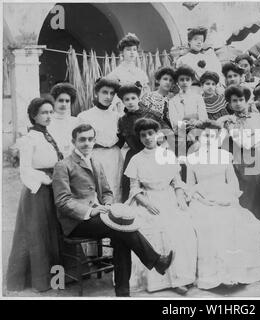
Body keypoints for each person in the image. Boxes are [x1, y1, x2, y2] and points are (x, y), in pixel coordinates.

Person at [52, 124, 173, 297]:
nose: (87, 143)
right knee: (120, 227)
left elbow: (107, 193)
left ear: (94, 141)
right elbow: (62, 202)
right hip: (77, 222)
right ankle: (155, 261)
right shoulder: (63, 165)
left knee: (121, 234)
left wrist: (108, 206)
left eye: (90, 139)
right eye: (82, 140)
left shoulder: (96, 162)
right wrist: (91, 211)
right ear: (73, 142)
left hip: (100, 217)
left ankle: (123, 293)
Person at [186, 120, 260, 289]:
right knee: (209, 224)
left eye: (214, 137)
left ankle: (232, 273)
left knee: (238, 223)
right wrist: (203, 200)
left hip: (224, 199)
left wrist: (228, 199)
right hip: (201, 201)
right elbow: (190, 186)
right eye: (206, 136)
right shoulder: (192, 159)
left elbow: (232, 183)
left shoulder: (225, 156)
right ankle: (214, 275)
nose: (210, 140)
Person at [124, 118, 197, 294]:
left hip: (169, 197)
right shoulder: (136, 159)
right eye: (143, 135)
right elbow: (134, 189)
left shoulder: (168, 155)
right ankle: (161, 281)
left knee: (181, 227)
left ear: (157, 134)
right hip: (148, 200)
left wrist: (180, 198)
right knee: (155, 228)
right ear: (139, 138)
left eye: (151, 133)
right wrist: (147, 203)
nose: (148, 138)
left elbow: (177, 182)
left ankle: (181, 278)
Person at [217, 85, 260, 249]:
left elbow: (256, 142)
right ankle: (250, 246)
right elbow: (221, 144)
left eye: (241, 99)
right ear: (229, 103)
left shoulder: (255, 118)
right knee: (247, 201)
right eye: (234, 101)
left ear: (247, 100)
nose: (238, 103)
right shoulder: (226, 120)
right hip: (239, 165)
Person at [7, 98, 63, 292]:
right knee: (37, 234)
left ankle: (59, 279)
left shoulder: (49, 135)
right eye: (43, 113)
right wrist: (47, 180)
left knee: (56, 233)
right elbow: (25, 170)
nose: (48, 116)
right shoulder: (28, 139)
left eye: (50, 112)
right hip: (38, 192)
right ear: (33, 116)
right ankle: (39, 281)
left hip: (54, 188)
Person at [78, 77, 124, 202]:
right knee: (98, 190)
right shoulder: (85, 116)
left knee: (115, 188)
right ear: (96, 93)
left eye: (112, 93)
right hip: (95, 156)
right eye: (104, 92)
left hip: (114, 156)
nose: (108, 96)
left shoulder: (117, 117)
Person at [168, 65, 208, 157]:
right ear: (177, 81)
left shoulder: (198, 98)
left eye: (187, 79)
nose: (184, 82)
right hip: (181, 132)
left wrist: (197, 122)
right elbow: (174, 120)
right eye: (182, 80)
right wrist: (184, 123)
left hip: (198, 130)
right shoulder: (173, 100)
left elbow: (203, 116)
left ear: (192, 81)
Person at [107, 33, 150, 113]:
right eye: (128, 49)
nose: (132, 52)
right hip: (122, 109)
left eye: (134, 50)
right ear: (122, 52)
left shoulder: (141, 73)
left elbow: (146, 95)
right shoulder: (115, 73)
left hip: (139, 109)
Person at [48, 82, 81, 157]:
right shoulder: (48, 121)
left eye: (67, 101)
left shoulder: (76, 122)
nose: (64, 104)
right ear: (54, 101)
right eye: (60, 100)